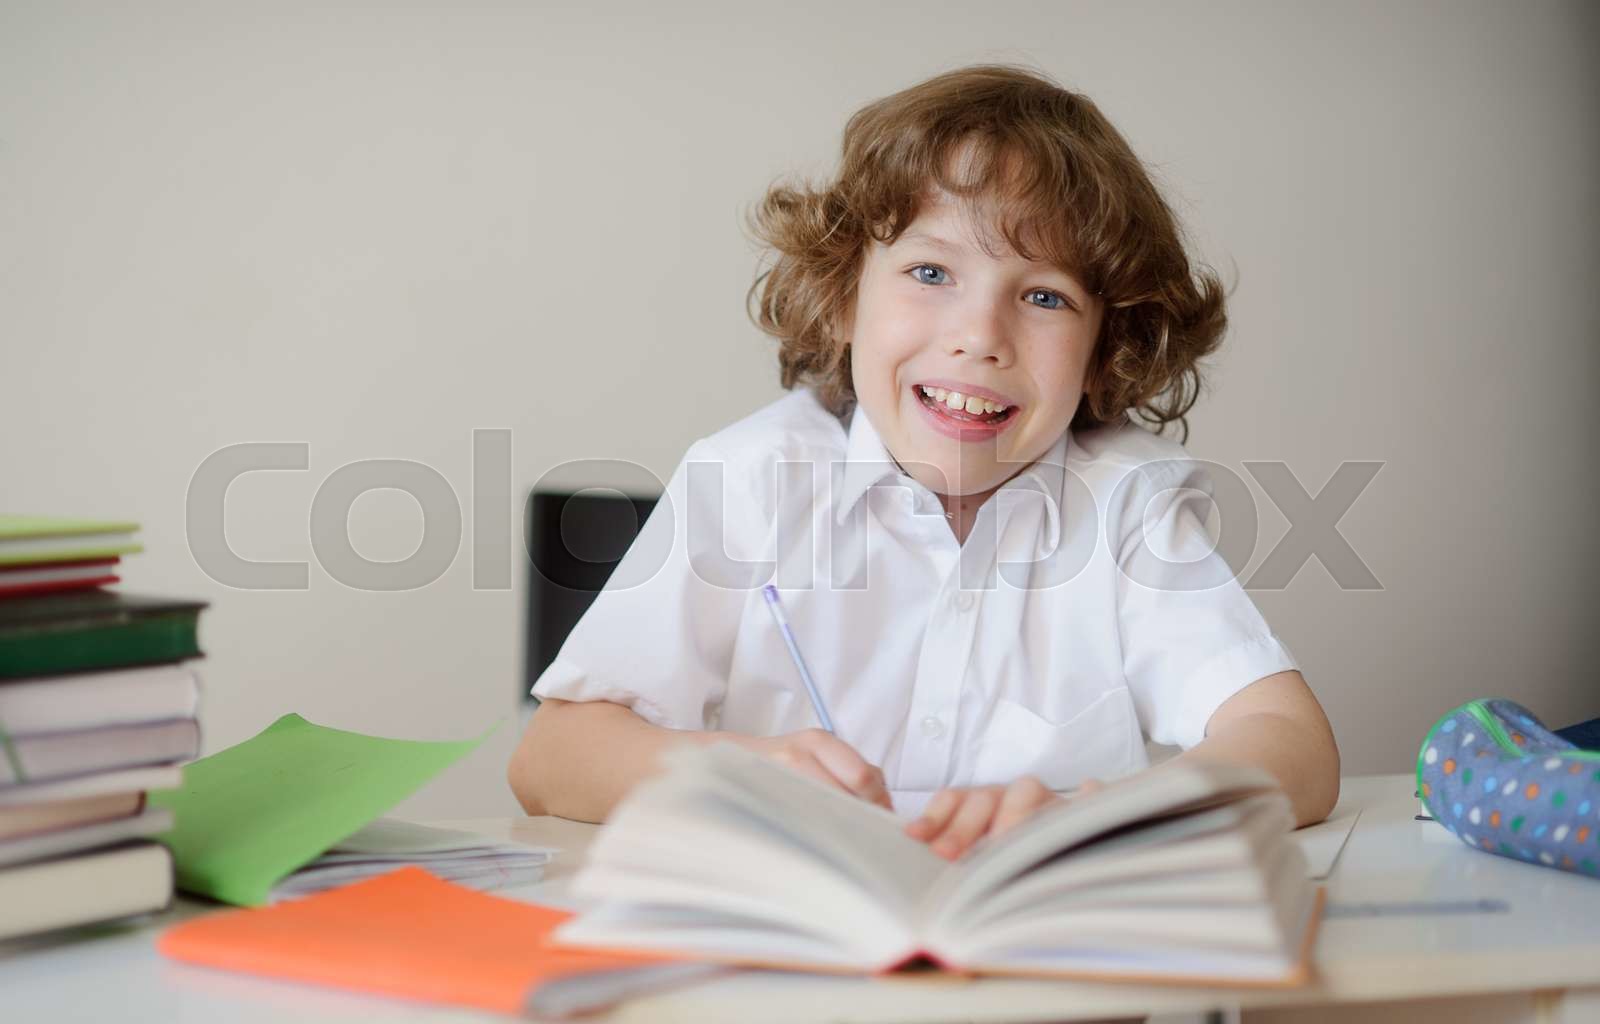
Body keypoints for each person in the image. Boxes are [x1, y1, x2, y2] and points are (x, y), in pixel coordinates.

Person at [508, 64, 1340, 859]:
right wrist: (737, 771)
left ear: (1101, 352)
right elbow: (550, 762)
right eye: (931, 271)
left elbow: (1294, 748)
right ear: (842, 299)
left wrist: (1110, 815)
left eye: (1044, 296)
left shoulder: (1127, 505)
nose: (980, 335)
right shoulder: (751, 480)